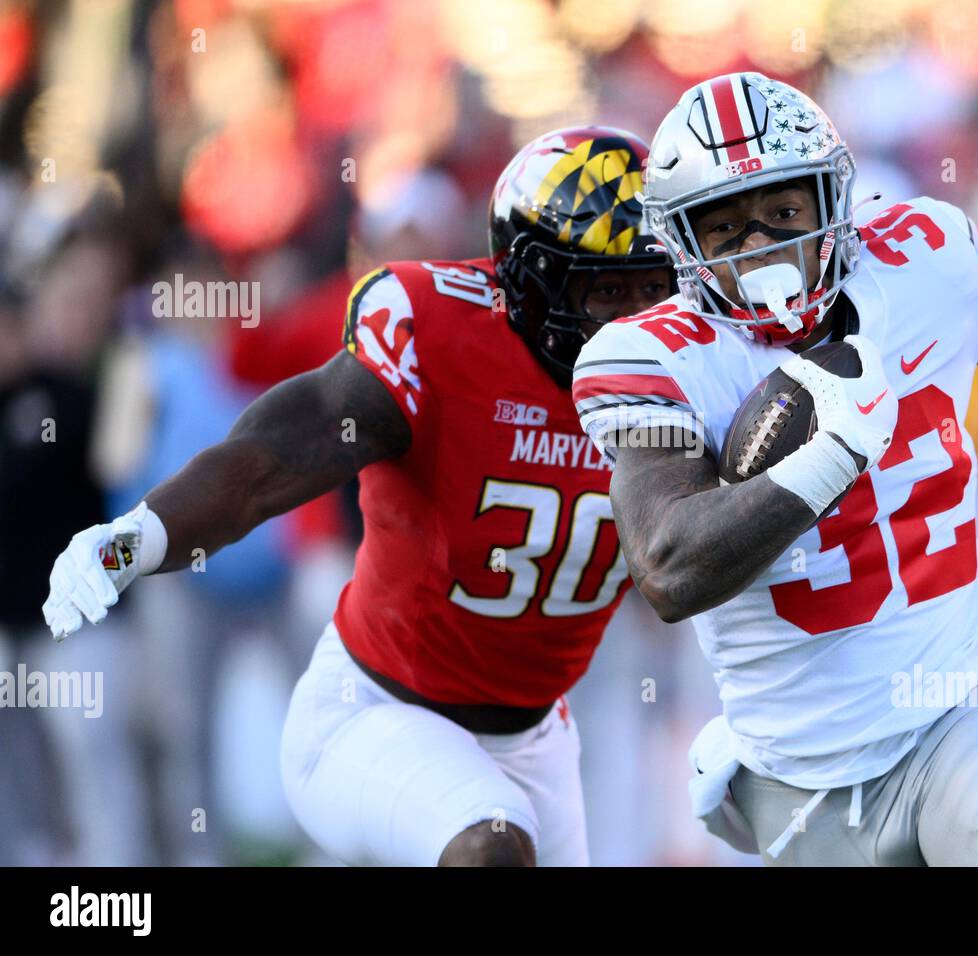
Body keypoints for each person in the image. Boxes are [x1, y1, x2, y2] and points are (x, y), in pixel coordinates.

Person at [574, 73, 978, 866]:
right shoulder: (653, 357)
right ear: (682, 245)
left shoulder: (925, 261)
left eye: (784, 214)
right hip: (799, 775)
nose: (764, 251)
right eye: (726, 231)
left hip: (962, 716)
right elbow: (667, 566)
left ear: (832, 203)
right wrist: (829, 462)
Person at [41, 126, 675, 867]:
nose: (637, 317)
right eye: (607, 289)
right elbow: (269, 461)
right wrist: (135, 540)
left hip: (537, 736)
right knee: (492, 849)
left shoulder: (688, 364)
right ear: (533, 282)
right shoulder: (438, 330)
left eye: (653, 286)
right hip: (379, 711)